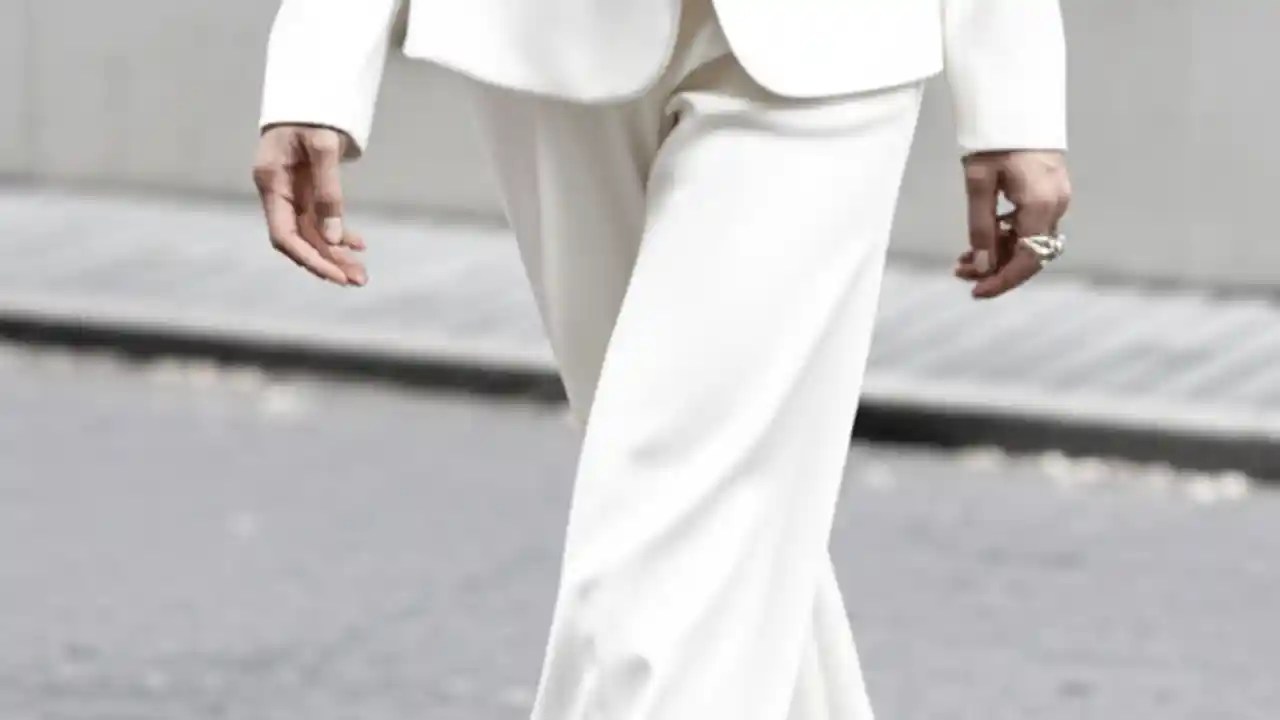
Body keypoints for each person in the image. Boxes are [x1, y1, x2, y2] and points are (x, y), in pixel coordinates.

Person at [252, 0, 1071, 717]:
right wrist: (318, 61)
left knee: (671, 506)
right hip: (548, 42)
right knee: (707, 513)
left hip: (836, 42)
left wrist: (1015, 91)